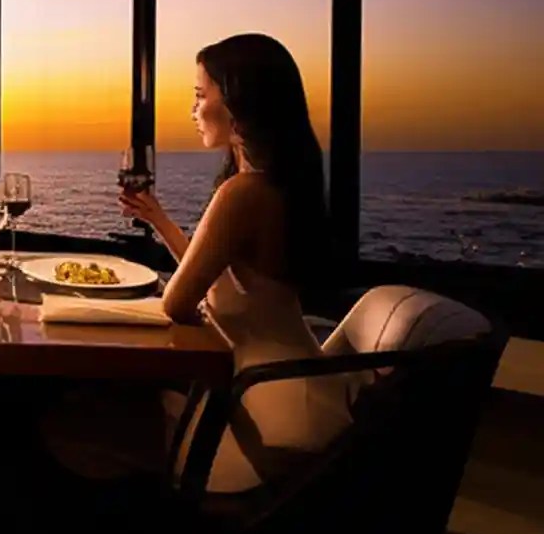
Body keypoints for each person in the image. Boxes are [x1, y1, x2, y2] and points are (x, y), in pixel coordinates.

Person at [41, 33, 359, 495]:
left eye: (199, 96)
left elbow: (177, 303)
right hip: (299, 393)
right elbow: (221, 277)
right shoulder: (282, 185)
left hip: (266, 418)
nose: (192, 111)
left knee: (69, 424)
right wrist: (159, 219)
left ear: (236, 102)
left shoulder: (243, 193)